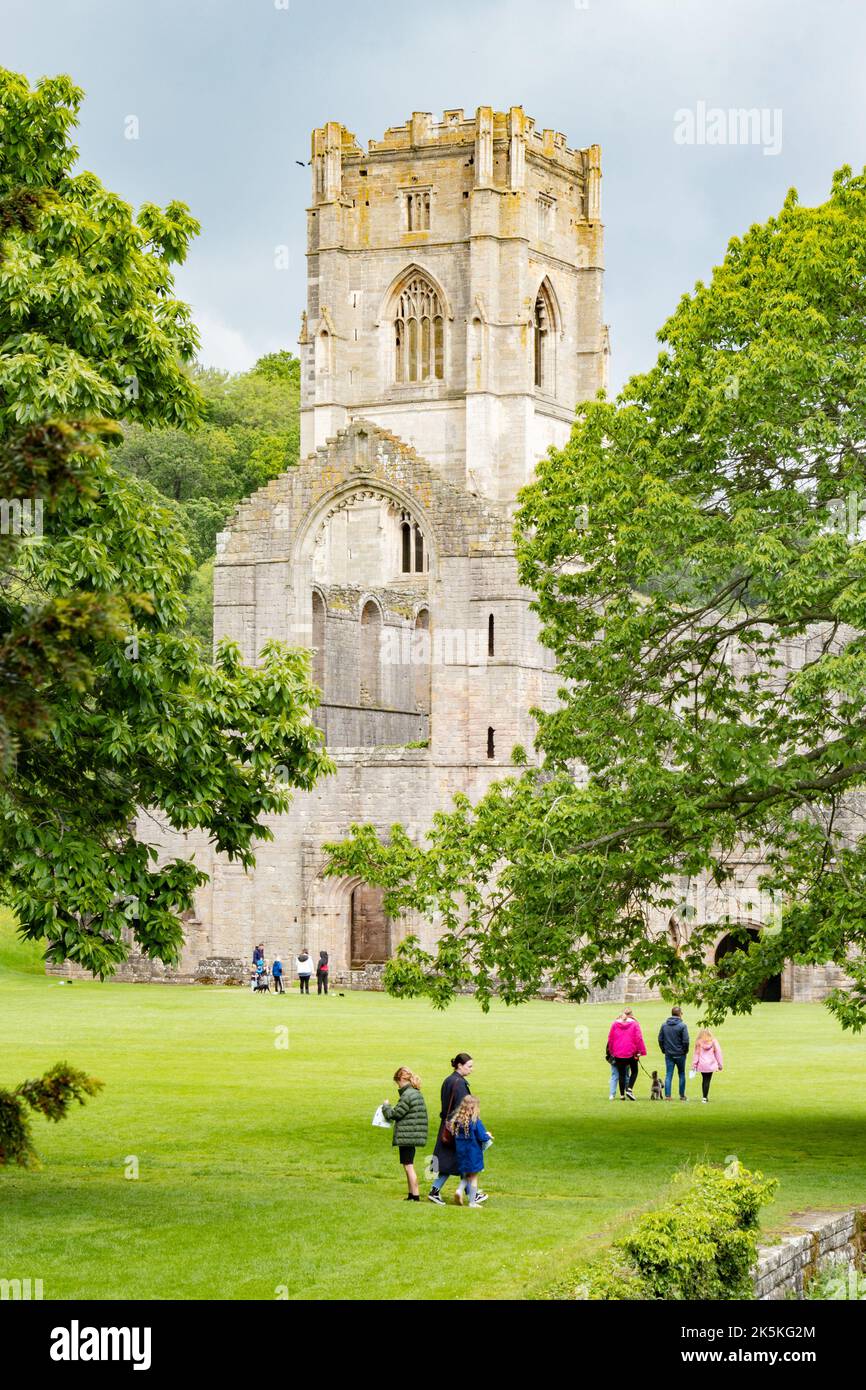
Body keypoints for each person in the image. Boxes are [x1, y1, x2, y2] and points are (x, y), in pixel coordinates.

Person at [428, 1053, 487, 1204]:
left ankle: (445, 1191)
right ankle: (469, 1194)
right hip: (457, 1129)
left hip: (447, 1126)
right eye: (469, 1066)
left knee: (450, 1161)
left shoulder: (448, 1080)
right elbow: (463, 1108)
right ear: (459, 1065)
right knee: (462, 1160)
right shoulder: (460, 1083)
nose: (472, 1069)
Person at [381, 1067, 429, 1200]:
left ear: (401, 1079)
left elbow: (395, 1114)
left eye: (397, 1082)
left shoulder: (407, 1095)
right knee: (407, 1164)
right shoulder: (415, 1092)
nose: (397, 1085)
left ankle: (415, 1195)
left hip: (407, 1136)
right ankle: (411, 1195)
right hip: (412, 1134)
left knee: (408, 1166)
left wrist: (386, 1106)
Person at [448, 1095, 493, 1208]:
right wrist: (488, 1135)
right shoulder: (474, 1122)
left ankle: (459, 1190)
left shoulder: (457, 1122)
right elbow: (482, 1137)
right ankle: (472, 1202)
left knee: (467, 1175)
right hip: (473, 1153)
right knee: (473, 1177)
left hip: (461, 1153)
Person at [606, 1010, 646, 1100]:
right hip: (631, 1052)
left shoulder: (614, 1024)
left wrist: (612, 1051)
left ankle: (622, 1095)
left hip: (618, 1052)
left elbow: (610, 1039)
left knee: (621, 1074)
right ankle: (629, 1089)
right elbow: (639, 1038)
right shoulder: (635, 1024)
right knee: (634, 1071)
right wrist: (640, 1051)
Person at [658, 1005, 690, 1102]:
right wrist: (685, 1051)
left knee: (668, 1074)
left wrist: (663, 1049)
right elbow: (686, 1041)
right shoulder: (682, 1026)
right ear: (679, 1014)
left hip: (669, 1054)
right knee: (681, 1074)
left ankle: (668, 1096)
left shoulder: (664, 1025)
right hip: (680, 1054)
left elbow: (660, 1039)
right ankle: (682, 1095)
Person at [692, 1029, 723, 1102]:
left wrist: (694, 1065)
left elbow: (696, 1054)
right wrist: (720, 1063)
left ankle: (704, 1097)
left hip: (702, 1064)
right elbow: (718, 1053)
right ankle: (705, 1097)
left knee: (704, 1080)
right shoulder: (713, 1041)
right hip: (710, 1064)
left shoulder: (698, 1042)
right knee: (707, 1080)